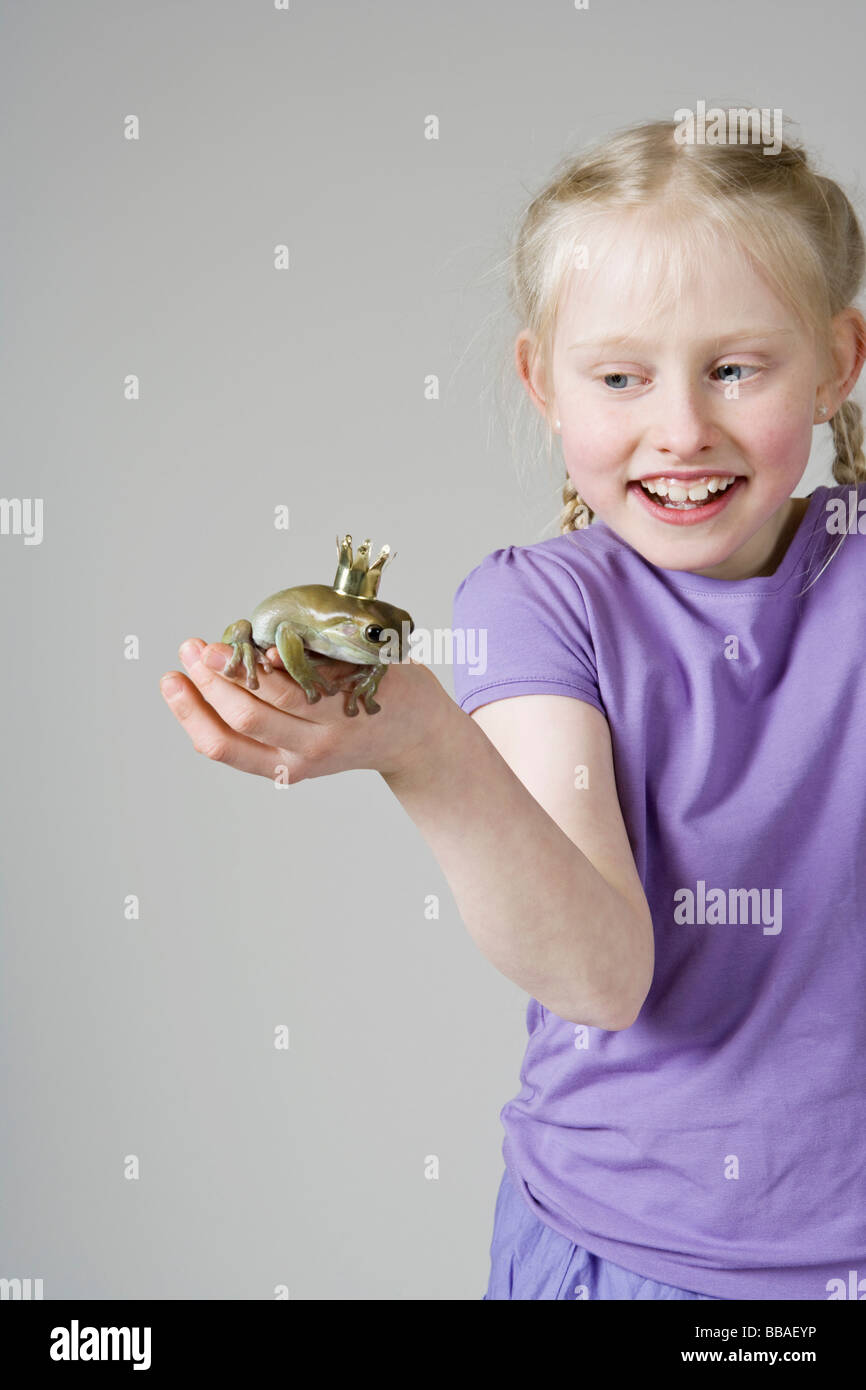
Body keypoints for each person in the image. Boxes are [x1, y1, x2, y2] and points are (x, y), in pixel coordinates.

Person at [160, 110, 866, 1301]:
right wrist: (427, 747)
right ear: (542, 381)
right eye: (619, 377)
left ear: (837, 362)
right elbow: (598, 976)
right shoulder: (536, 606)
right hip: (629, 1261)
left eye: (734, 368)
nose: (680, 427)